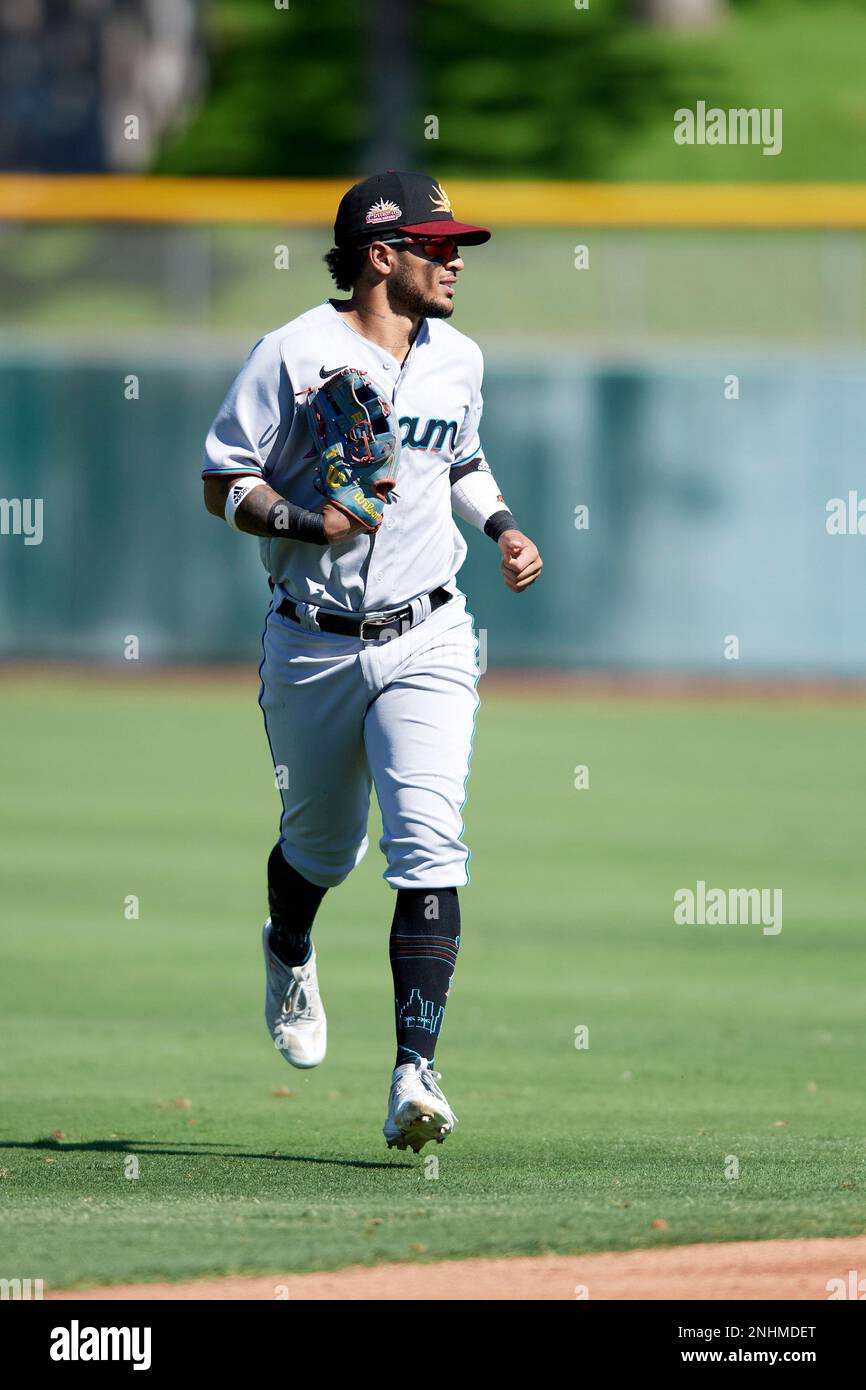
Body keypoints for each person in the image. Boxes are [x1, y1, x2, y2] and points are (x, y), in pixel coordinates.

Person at [202, 171, 542, 1151]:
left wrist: (504, 527)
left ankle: (413, 1072)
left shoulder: (459, 358)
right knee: (320, 851)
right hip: (310, 636)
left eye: (457, 246)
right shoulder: (292, 353)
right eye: (436, 246)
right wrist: (311, 521)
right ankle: (288, 945)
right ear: (380, 257)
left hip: (430, 631)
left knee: (428, 844)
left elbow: (461, 457)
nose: (454, 261)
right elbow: (221, 478)